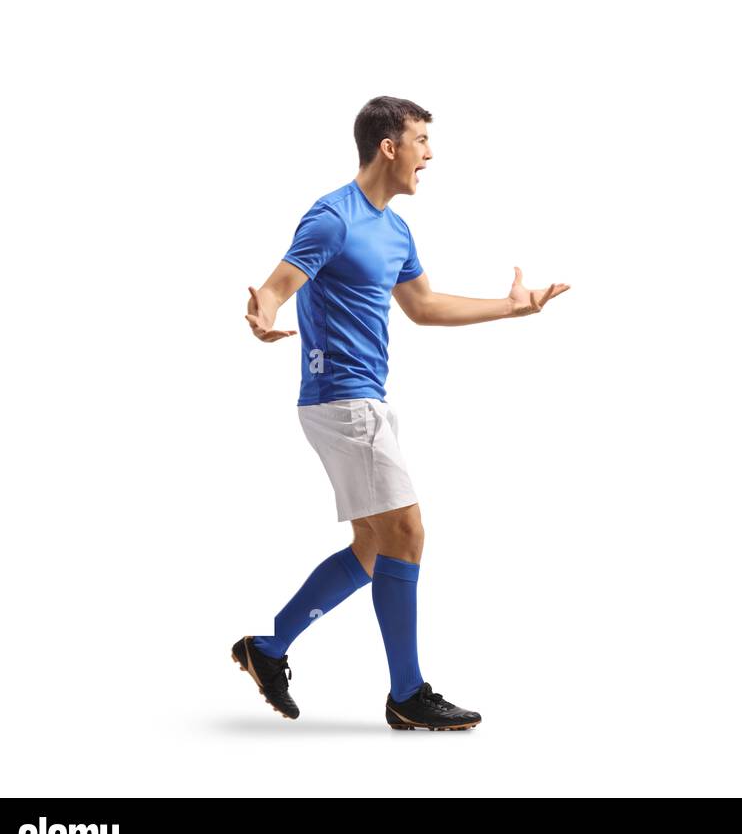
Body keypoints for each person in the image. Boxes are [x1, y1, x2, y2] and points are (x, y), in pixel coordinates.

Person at [233, 95, 570, 730]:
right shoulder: (333, 216)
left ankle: (269, 648)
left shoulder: (394, 229)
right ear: (389, 147)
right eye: (420, 140)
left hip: (366, 401)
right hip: (341, 398)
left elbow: (424, 306)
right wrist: (264, 313)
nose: (429, 153)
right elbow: (279, 284)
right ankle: (407, 695)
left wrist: (514, 308)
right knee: (407, 533)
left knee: (371, 547)